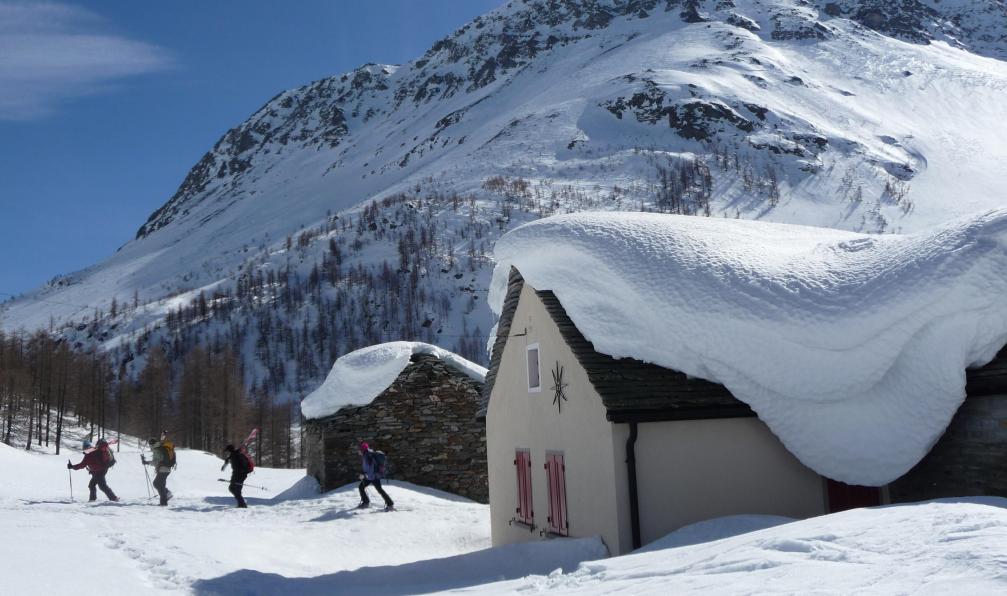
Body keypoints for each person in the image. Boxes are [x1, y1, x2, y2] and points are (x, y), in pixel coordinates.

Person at [357, 441, 393, 510]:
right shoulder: (367, 455)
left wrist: (364, 475)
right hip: (371, 476)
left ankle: (390, 504)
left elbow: (371, 470)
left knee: (379, 490)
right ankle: (366, 502)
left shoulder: (368, 456)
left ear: (362, 450)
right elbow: (367, 468)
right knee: (362, 487)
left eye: (359, 450)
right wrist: (363, 473)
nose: (358, 451)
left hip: (373, 477)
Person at [142, 437, 173, 506]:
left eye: (149, 445)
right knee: (161, 485)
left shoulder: (156, 449)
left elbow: (156, 462)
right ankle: (166, 496)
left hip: (163, 469)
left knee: (157, 484)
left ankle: (164, 502)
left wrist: (147, 462)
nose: (149, 447)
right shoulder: (160, 447)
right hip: (167, 469)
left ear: (151, 444)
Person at [222, 444, 250, 508]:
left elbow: (243, 465)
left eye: (227, 451)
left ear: (230, 450)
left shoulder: (237, 455)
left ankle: (242, 504)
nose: (227, 453)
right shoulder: (234, 454)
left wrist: (240, 474)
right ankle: (242, 503)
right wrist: (225, 463)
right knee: (235, 489)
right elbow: (230, 459)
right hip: (238, 474)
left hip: (239, 475)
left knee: (233, 488)